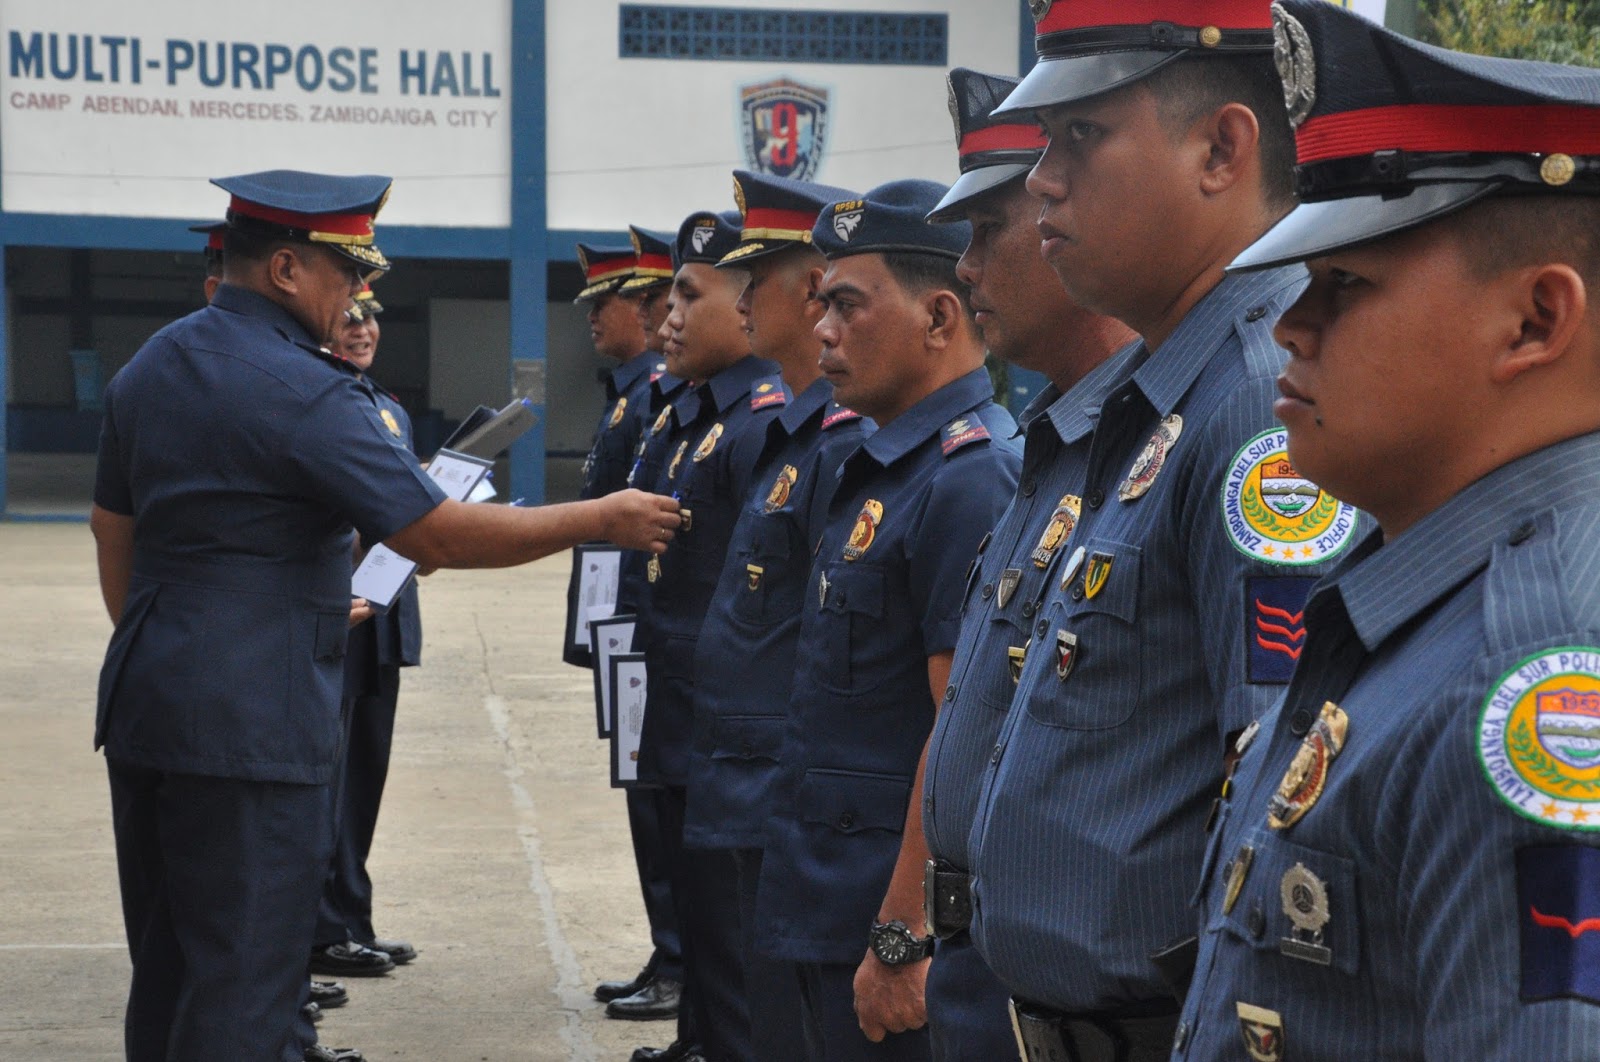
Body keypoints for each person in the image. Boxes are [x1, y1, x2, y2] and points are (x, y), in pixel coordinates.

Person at [89, 169, 680, 1062]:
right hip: (256, 723)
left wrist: (171, 642)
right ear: (286, 268)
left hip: (150, 703)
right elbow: (435, 533)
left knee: (170, 970)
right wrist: (600, 518)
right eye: (345, 272)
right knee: (246, 987)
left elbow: (112, 529)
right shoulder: (305, 389)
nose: (357, 295)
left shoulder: (154, 362)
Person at [1173, 4, 1600, 1058]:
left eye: (1345, 284)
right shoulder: (1422, 595)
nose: (1289, 325)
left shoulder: (1526, 677)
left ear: (1535, 322)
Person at [961, 4, 1362, 1059]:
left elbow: (1283, 802)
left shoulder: (1257, 404)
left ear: (1221, 148)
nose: (1042, 177)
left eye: (1081, 138)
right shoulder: (1166, 390)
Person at [753, 179, 1022, 1061]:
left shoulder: (969, 478)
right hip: (830, 896)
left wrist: (905, 936)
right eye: (822, 305)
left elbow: (962, 729)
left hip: (888, 921)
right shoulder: (884, 464)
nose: (822, 329)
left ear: (940, 317)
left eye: (847, 306)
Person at [915, 67, 1138, 1060]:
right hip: (969, 960)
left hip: (1067, 1002)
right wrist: (898, 942)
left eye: (983, 233)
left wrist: (891, 944)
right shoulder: (1051, 450)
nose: (961, 272)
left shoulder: (1171, 444)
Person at [682, 170, 868, 1060]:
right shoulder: (797, 430)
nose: (742, 297)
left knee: (787, 1024)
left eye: (758, 277)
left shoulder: (842, 440)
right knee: (756, 1004)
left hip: (789, 788)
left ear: (809, 288)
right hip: (748, 775)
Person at [631, 208, 787, 1062]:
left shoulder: (764, 419)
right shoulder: (693, 410)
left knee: (732, 936)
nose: (670, 317)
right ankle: (695, 1041)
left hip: (725, 718)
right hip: (681, 701)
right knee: (699, 912)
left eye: (691, 295)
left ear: (749, 304)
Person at [590, 225, 691, 1023]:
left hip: (656, 638)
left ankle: (679, 958)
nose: (663, 322)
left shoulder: (668, 397)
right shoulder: (644, 398)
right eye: (657, 305)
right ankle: (669, 951)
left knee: (663, 803)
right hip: (629, 628)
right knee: (644, 799)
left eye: (669, 302)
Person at [308, 283, 421, 980]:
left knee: (363, 778)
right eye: (348, 317)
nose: (361, 329)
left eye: (371, 316)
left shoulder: (386, 409)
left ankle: (352, 914)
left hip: (384, 610)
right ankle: (320, 930)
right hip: (334, 609)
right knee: (327, 779)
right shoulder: (322, 405)